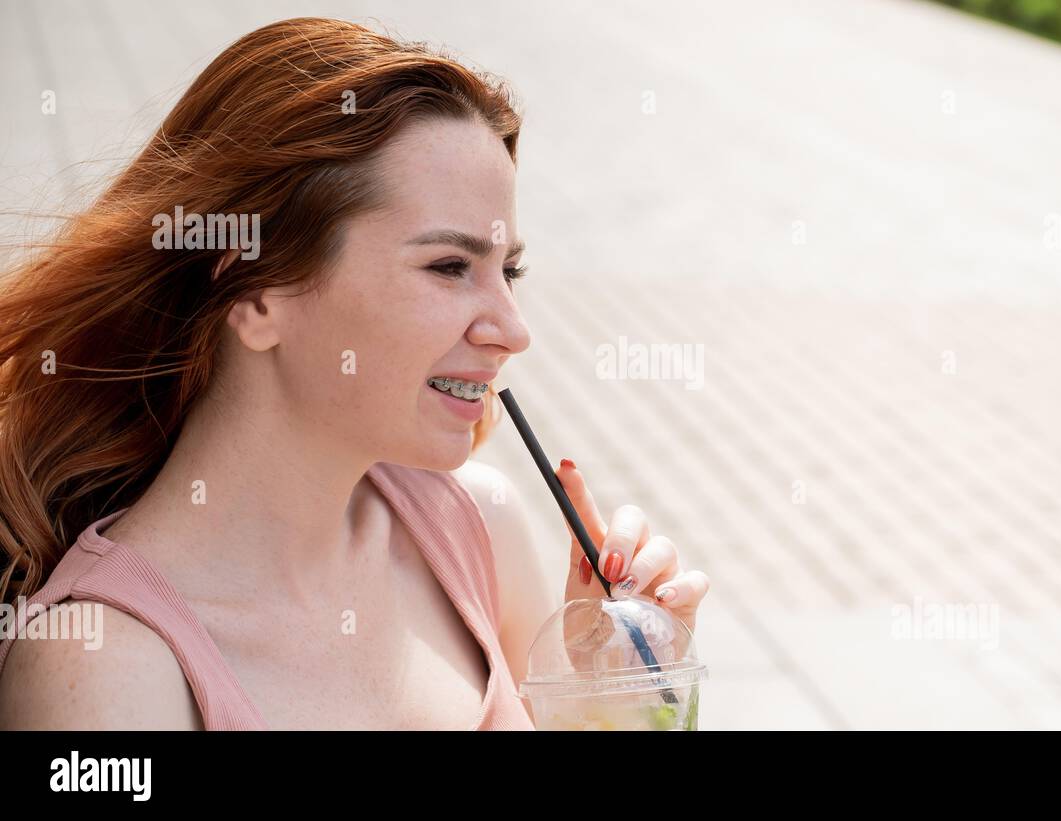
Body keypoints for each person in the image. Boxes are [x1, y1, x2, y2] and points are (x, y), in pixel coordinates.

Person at [0, 17, 709, 730]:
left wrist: (610, 699)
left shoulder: (481, 531)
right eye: (449, 267)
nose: (513, 330)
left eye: (508, 270)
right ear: (254, 296)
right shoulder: (103, 669)